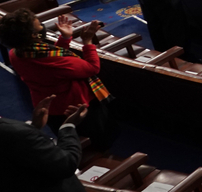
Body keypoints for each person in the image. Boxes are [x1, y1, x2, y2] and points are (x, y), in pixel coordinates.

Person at [1, 10, 116, 151]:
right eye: (39, 26)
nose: (42, 27)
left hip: (51, 109)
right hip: (75, 109)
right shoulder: (50, 60)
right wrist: (87, 42)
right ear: (33, 35)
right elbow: (91, 68)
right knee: (98, 143)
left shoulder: (16, 53)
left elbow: (54, 65)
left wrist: (65, 38)